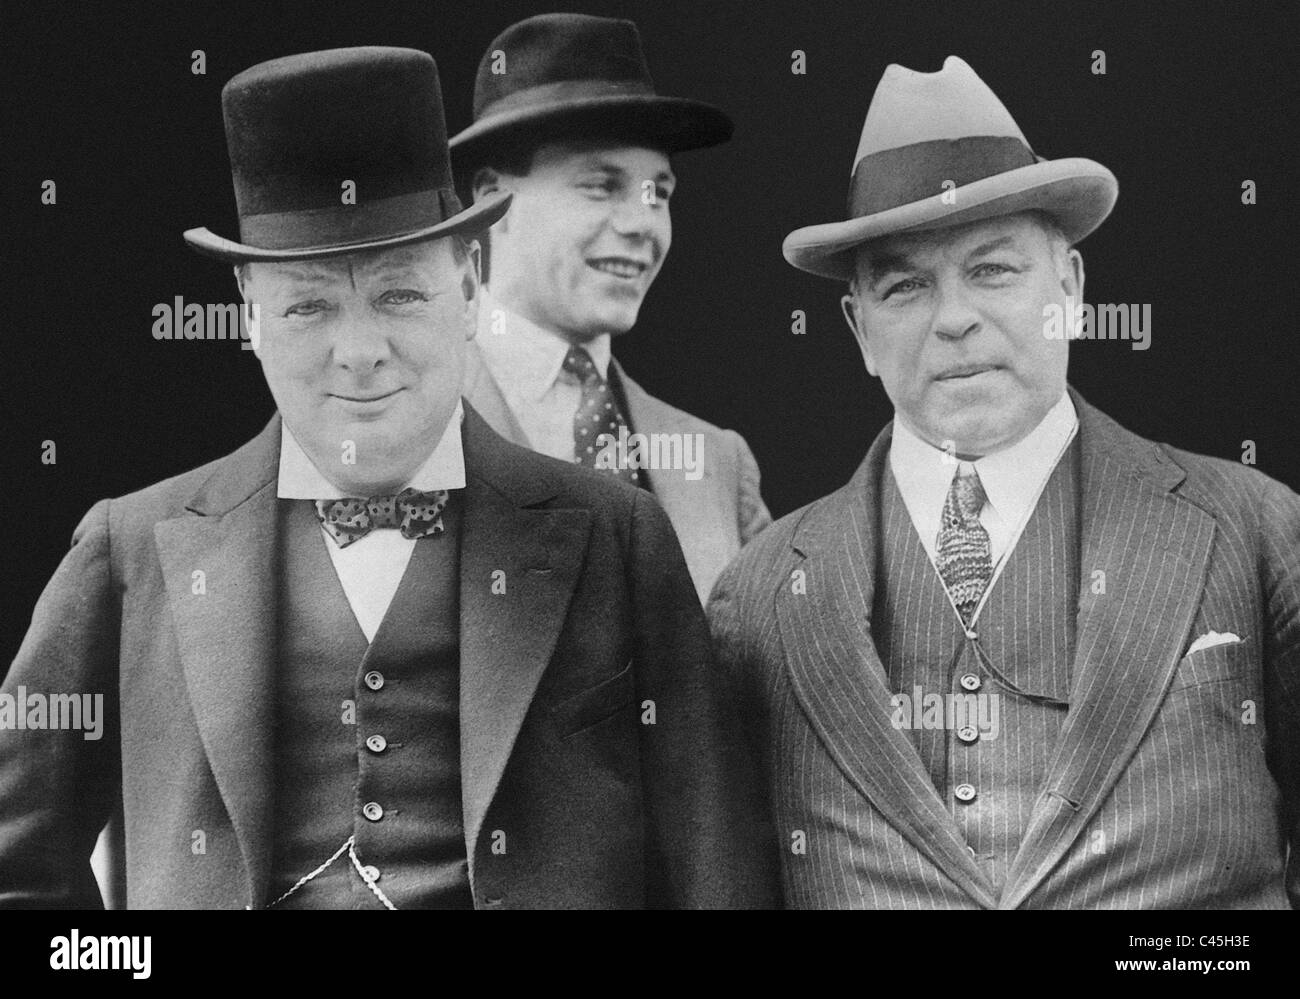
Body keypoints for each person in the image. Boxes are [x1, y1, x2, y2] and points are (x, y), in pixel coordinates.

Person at [0, 46, 777, 910]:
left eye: (400, 295)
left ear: (471, 284)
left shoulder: (616, 536)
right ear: (248, 314)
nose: (360, 351)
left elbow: (720, 873)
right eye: (307, 305)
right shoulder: (132, 548)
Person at [709, 56, 1300, 908]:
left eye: (992, 269)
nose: (954, 317)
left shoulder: (1255, 532)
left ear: (1070, 286)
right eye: (906, 285)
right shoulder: (756, 601)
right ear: (859, 330)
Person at [452, 13, 771, 604]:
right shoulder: (411, 422)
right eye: (601, 186)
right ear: (494, 201)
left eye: (660, 194)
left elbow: (766, 681)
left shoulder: (716, 461)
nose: (641, 224)